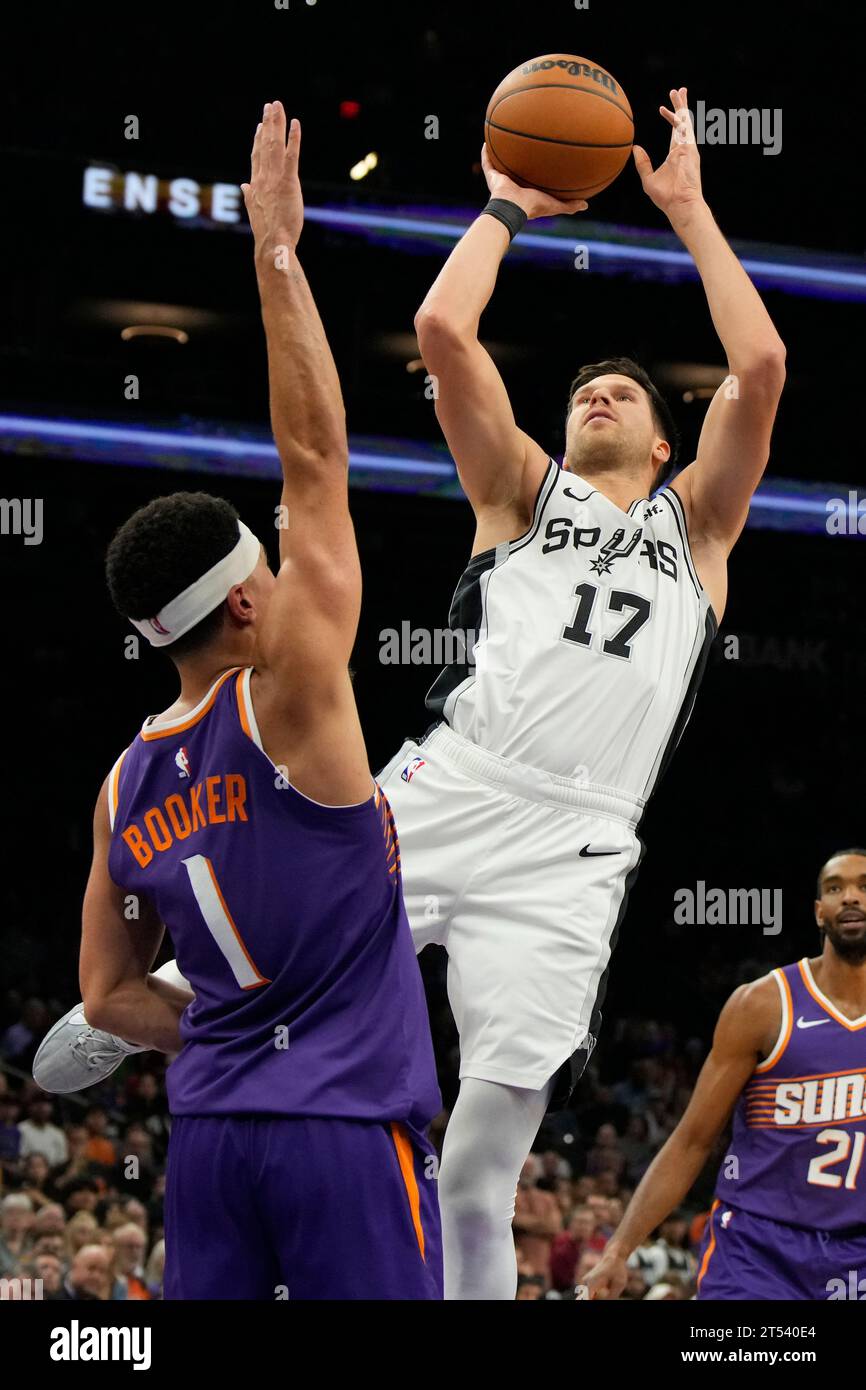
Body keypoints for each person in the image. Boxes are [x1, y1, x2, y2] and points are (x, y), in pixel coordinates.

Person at [35, 85, 785, 1302]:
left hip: (577, 843)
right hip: (455, 776)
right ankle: (141, 1000)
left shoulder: (698, 528)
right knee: (294, 949)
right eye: (580, 388)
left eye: (624, 393)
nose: (595, 392)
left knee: (477, 1162)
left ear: (665, 446)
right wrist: (503, 203)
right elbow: (443, 329)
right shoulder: (517, 492)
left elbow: (759, 362)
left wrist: (690, 213)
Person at [38, 101, 442, 1301]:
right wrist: (277, 248)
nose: (286, 561)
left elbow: (110, 992)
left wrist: (219, 1023)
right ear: (248, 607)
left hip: (213, 1142)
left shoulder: (122, 786)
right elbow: (315, 463)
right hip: (344, 1129)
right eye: (266, 563)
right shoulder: (295, 695)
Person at [586, 849, 866, 1300]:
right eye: (835, 888)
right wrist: (619, 1249)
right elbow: (692, 1140)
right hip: (759, 1246)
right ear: (819, 912)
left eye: (863, 886)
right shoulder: (762, 1004)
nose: (850, 898)